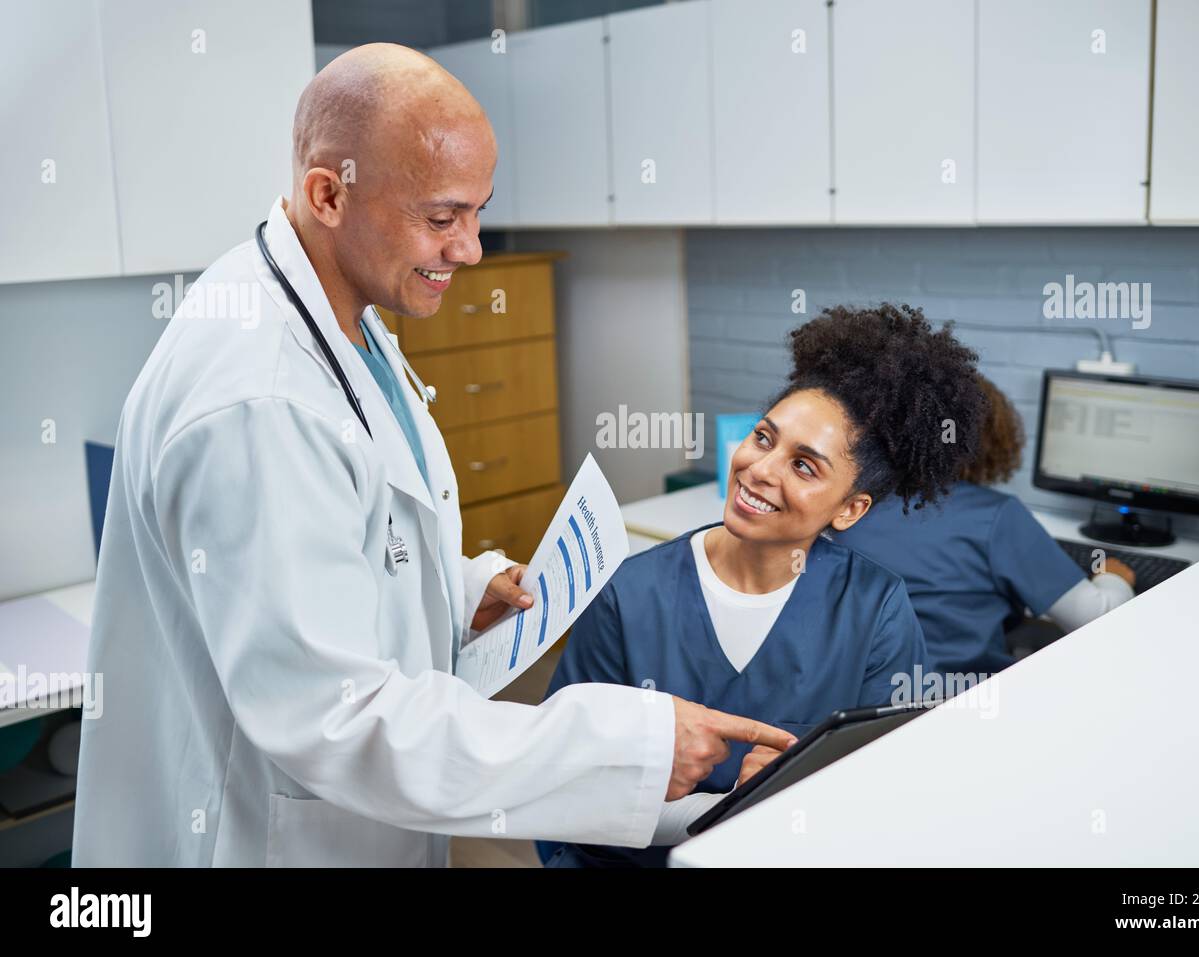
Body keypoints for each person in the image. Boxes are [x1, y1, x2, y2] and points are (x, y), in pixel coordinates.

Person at [72, 43, 792, 868]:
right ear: (327, 192)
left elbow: (342, 539)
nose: (471, 249)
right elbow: (338, 716)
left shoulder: (347, 315)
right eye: (441, 217)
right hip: (249, 837)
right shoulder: (259, 397)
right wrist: (629, 744)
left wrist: (453, 587)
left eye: (479, 212)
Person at [538, 303, 989, 867]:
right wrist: (724, 811)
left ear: (849, 509)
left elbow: (893, 785)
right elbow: (559, 780)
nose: (759, 469)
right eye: (763, 437)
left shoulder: (874, 608)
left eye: (804, 466)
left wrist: (801, 799)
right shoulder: (629, 593)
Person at [835, 373, 1136, 676]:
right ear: (988, 439)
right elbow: (1098, 618)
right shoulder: (997, 516)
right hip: (957, 706)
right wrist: (1112, 577)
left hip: (858, 707)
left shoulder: (852, 506)